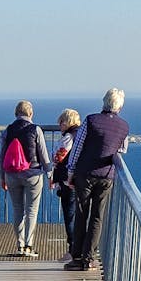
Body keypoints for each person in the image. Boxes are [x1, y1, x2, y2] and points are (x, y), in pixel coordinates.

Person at [64, 88, 130, 272]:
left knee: (81, 214)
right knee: (97, 217)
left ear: (104, 102)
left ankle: (76, 257)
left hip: (85, 173)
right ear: (120, 107)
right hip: (106, 175)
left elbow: (77, 147)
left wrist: (70, 172)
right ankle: (89, 258)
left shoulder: (91, 120)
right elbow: (122, 149)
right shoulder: (124, 126)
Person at [0, 100, 52, 257]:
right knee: (31, 211)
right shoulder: (35, 130)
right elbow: (43, 155)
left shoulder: (8, 130)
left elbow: (1, 156)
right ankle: (29, 245)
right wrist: (50, 175)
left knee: (17, 210)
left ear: (16, 114)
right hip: (33, 174)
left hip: (11, 175)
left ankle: (19, 245)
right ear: (31, 114)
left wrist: (2, 177)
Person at [50, 109, 81, 262]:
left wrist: (52, 159)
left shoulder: (69, 137)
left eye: (62, 122)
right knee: (78, 215)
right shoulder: (81, 135)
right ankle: (79, 249)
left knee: (70, 216)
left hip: (67, 181)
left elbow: (59, 156)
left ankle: (72, 251)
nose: (60, 125)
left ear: (68, 122)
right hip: (79, 180)